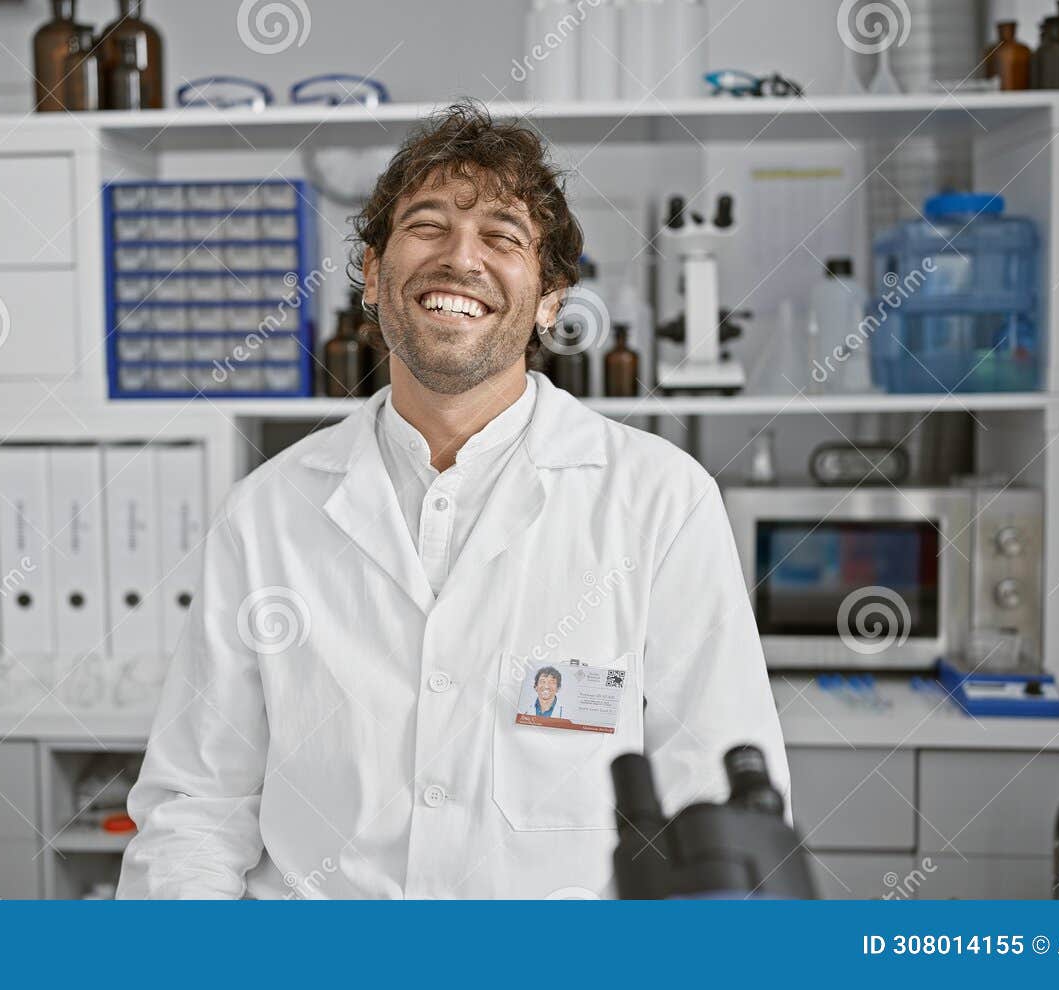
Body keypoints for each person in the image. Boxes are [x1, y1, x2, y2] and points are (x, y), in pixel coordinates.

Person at [118, 100, 788, 900]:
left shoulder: (661, 502)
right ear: (373, 272)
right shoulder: (265, 515)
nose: (460, 259)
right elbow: (198, 807)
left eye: (503, 237)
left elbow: (715, 815)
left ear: (549, 299)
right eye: (427, 226)